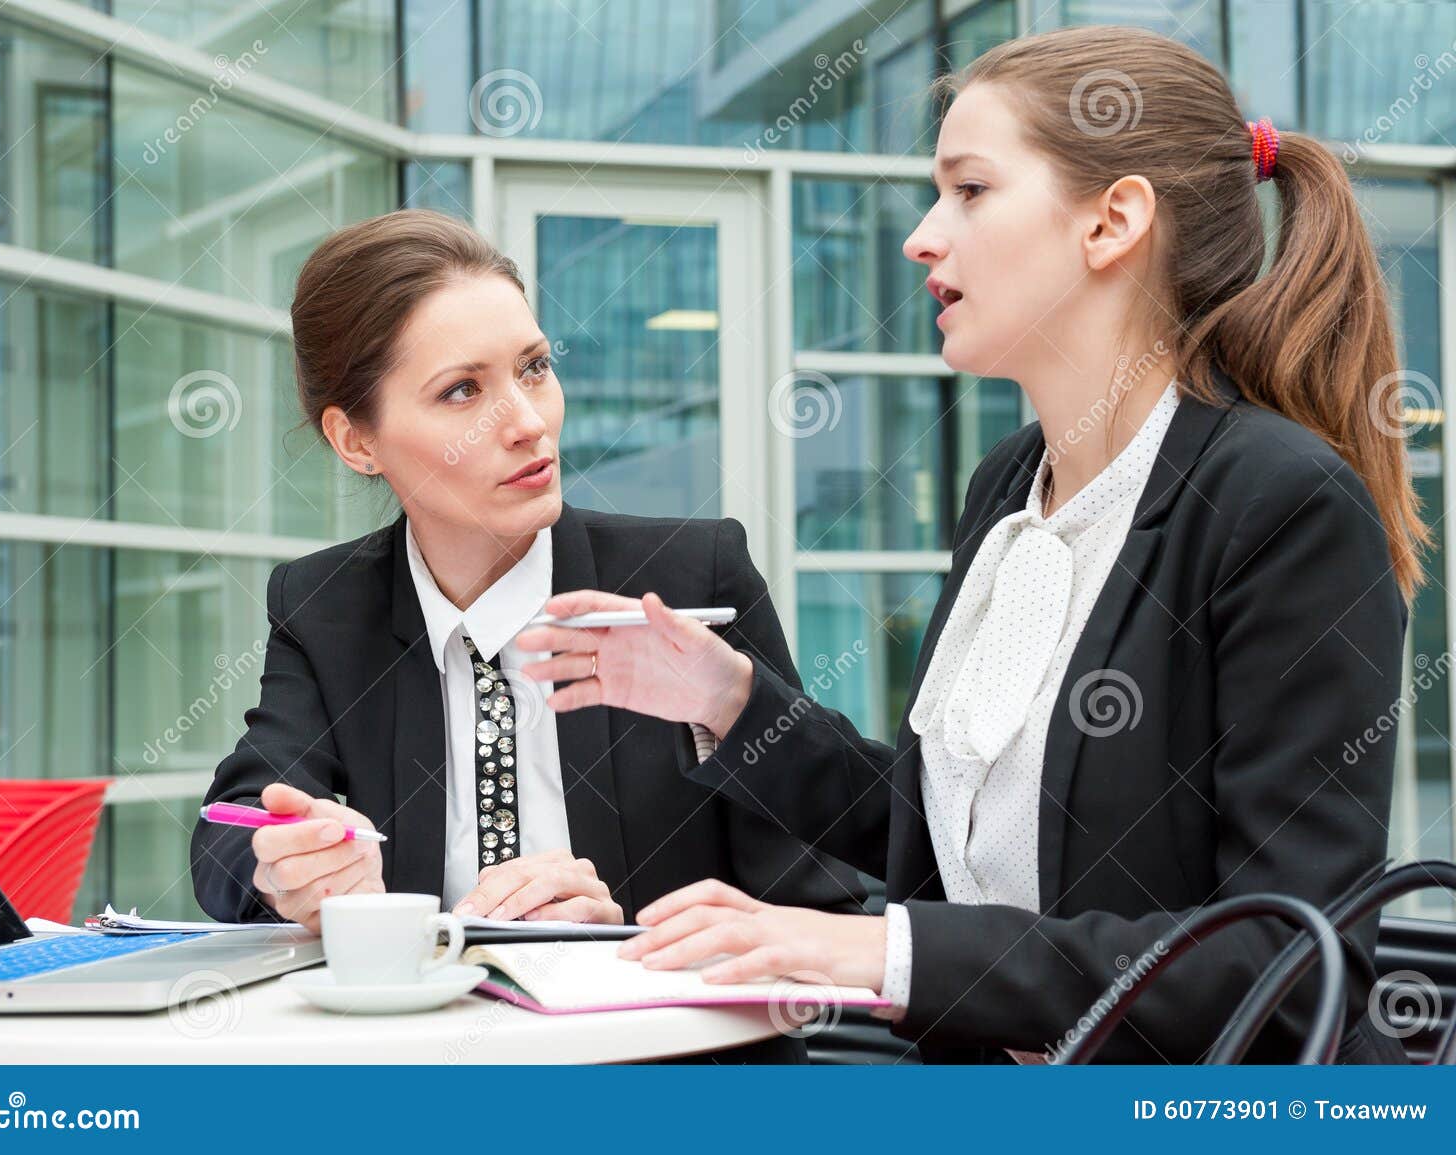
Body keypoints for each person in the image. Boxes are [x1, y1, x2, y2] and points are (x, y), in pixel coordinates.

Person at [516, 25, 1422, 1063]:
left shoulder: (1278, 503)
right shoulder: (1008, 489)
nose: (922, 237)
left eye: (970, 190)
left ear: (1111, 220)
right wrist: (725, 697)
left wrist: (870, 951)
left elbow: (1282, 960)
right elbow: (937, 835)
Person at [188, 209, 862, 954]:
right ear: (356, 441)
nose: (527, 423)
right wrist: (287, 869)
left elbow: (818, 885)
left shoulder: (683, 580)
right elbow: (230, 831)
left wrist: (625, 945)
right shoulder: (325, 607)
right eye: (462, 392)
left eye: (534, 368)